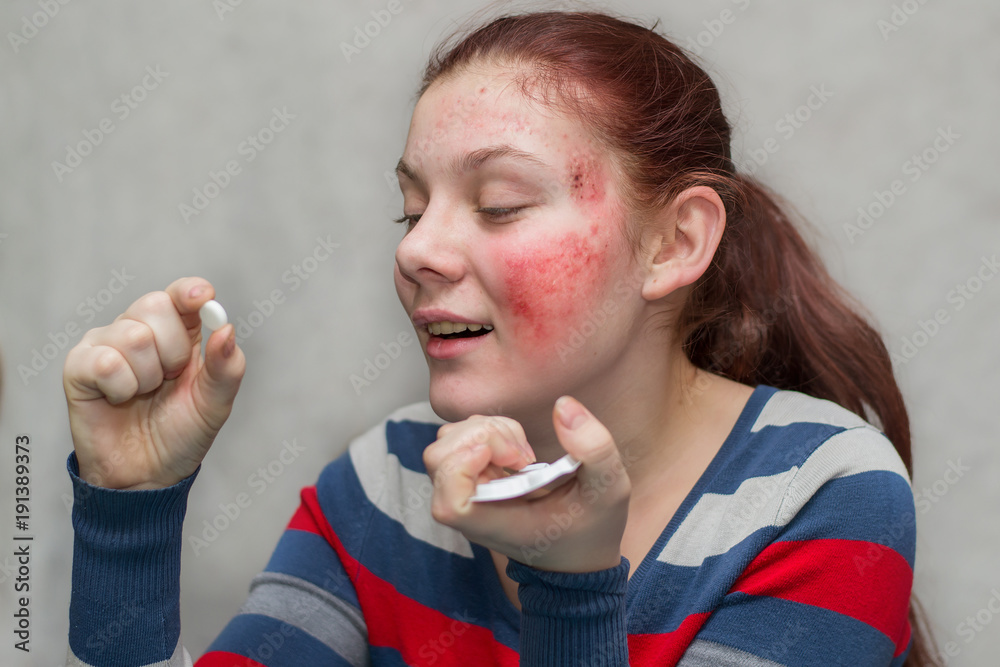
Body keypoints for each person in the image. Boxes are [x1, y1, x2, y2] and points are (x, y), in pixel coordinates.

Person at [62, 9, 938, 667]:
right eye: (411, 208)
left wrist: (568, 587)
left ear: (674, 243)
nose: (415, 248)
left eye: (499, 204)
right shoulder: (383, 483)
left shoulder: (821, 495)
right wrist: (129, 510)